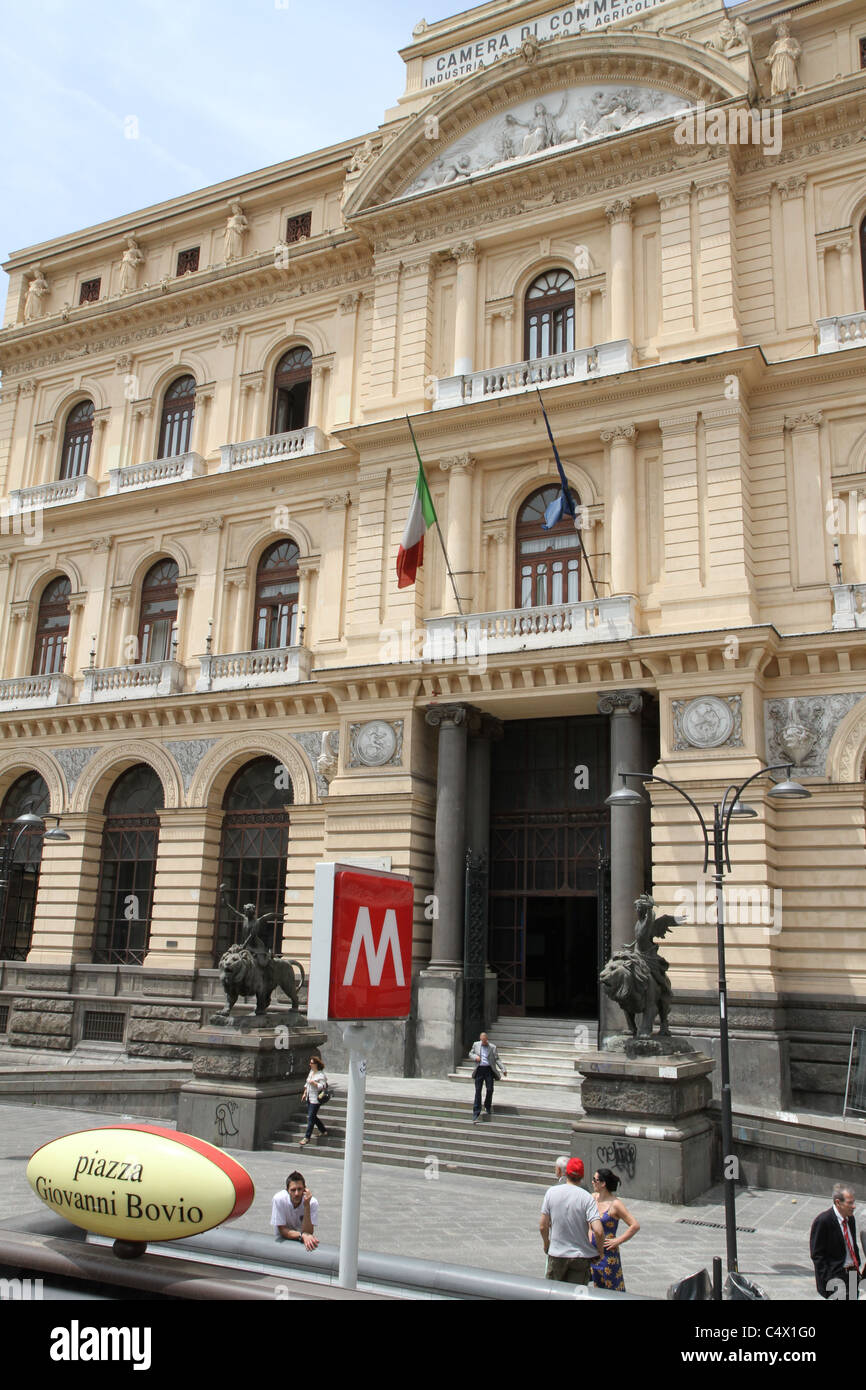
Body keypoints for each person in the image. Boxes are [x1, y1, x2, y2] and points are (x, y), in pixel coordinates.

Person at [540, 1157, 605, 1285]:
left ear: (566, 1173)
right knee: (576, 1295)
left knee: (553, 1293)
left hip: (557, 1254)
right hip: (580, 1256)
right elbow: (598, 1231)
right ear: (582, 1176)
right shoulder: (587, 1197)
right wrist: (600, 1252)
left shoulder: (551, 1192)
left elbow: (543, 1226)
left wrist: (547, 1244)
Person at [589, 1167, 640, 1291]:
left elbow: (635, 1225)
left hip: (608, 1254)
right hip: (593, 1252)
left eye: (594, 1180)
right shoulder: (592, 1198)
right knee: (597, 1288)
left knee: (613, 1288)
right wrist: (589, 1237)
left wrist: (618, 1241)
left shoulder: (615, 1204)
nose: (592, 1182)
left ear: (603, 1183)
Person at [810, 1183, 862, 1299]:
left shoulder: (850, 1219)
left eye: (853, 1202)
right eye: (850, 1203)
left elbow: (853, 1245)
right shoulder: (824, 1221)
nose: (853, 1206)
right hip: (836, 1277)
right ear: (838, 1202)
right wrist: (829, 1279)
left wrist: (857, 1263)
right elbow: (817, 1255)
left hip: (852, 1274)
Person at [271, 1171, 319, 1251]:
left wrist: (307, 1206)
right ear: (287, 1190)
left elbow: (308, 1232)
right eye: (293, 1190)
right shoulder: (279, 1199)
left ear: (305, 1189)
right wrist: (301, 1235)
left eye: (299, 1189)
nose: (296, 1193)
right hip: (283, 1239)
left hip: (303, 1240)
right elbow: (282, 1230)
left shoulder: (312, 1203)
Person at [469, 1031, 506, 1121]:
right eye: (482, 1041)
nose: (484, 1042)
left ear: (487, 1040)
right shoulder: (476, 1044)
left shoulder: (492, 1047)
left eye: (485, 1041)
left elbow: (497, 1059)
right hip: (479, 1069)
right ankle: (476, 1112)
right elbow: (470, 1053)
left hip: (489, 1069)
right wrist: (475, 1057)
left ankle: (487, 1105)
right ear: (480, 1039)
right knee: (478, 1091)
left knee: (490, 1089)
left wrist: (503, 1069)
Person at [300, 1054, 329, 1146]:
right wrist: (304, 1093)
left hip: (316, 1099)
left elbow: (323, 1086)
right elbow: (307, 1083)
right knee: (313, 1116)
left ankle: (307, 1137)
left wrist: (315, 1083)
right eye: (310, 1063)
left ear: (316, 1064)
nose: (310, 1064)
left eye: (312, 1063)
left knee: (311, 1118)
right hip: (309, 1096)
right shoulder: (311, 1072)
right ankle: (323, 1130)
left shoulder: (321, 1075)